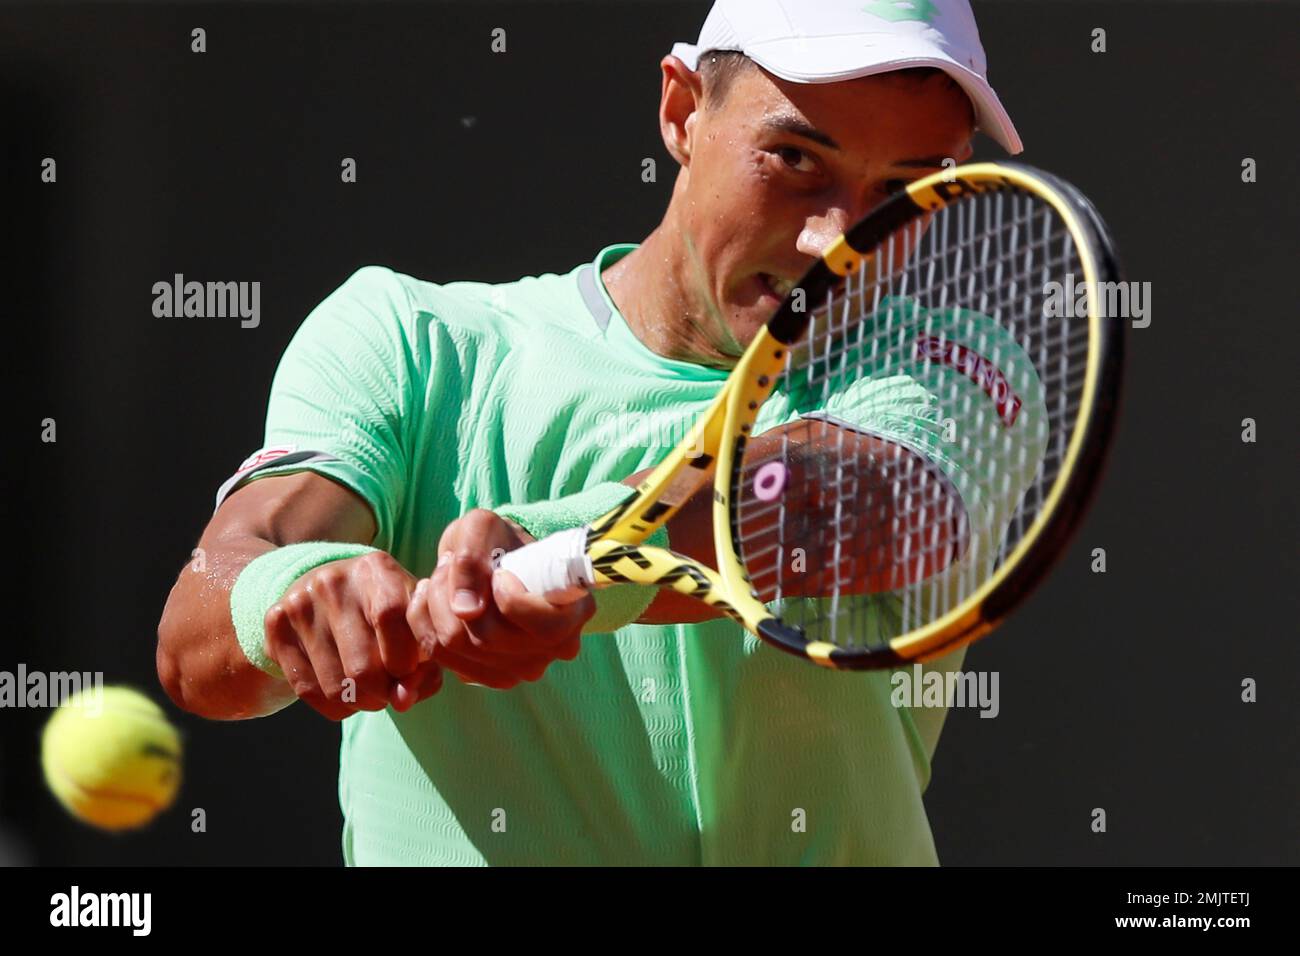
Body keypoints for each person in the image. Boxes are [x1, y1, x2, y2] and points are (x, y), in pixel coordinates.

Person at [157, 0, 1024, 865]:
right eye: (795, 157)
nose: (837, 239)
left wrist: (559, 554)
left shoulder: (951, 365)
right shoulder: (406, 339)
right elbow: (197, 634)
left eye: (906, 190)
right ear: (683, 112)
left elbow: (832, 507)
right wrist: (298, 596)